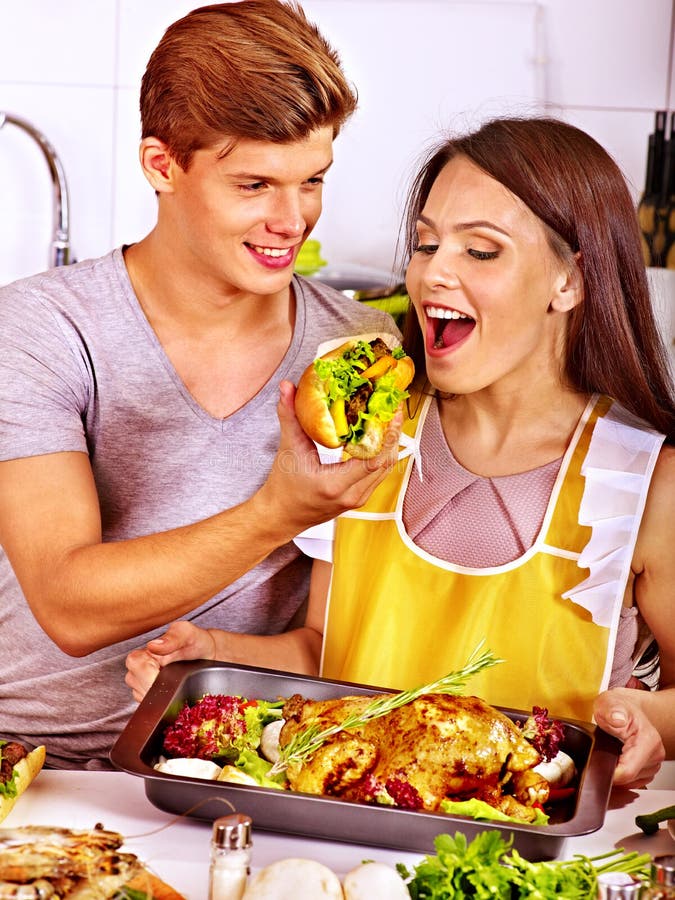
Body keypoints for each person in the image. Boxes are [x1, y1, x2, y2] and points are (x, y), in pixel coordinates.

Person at [126, 116, 675, 790]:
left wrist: (645, 716)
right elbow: (325, 650)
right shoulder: (368, 440)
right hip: (345, 829)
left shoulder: (646, 483)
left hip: (524, 858)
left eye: (480, 252)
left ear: (569, 281)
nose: (432, 273)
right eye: (425, 244)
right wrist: (210, 654)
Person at [0, 0, 402, 769]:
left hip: (249, 767)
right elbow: (67, 605)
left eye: (312, 180)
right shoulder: (38, 328)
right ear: (161, 165)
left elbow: (332, 641)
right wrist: (276, 511)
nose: (293, 220)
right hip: (35, 763)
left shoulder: (361, 351)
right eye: (254, 184)